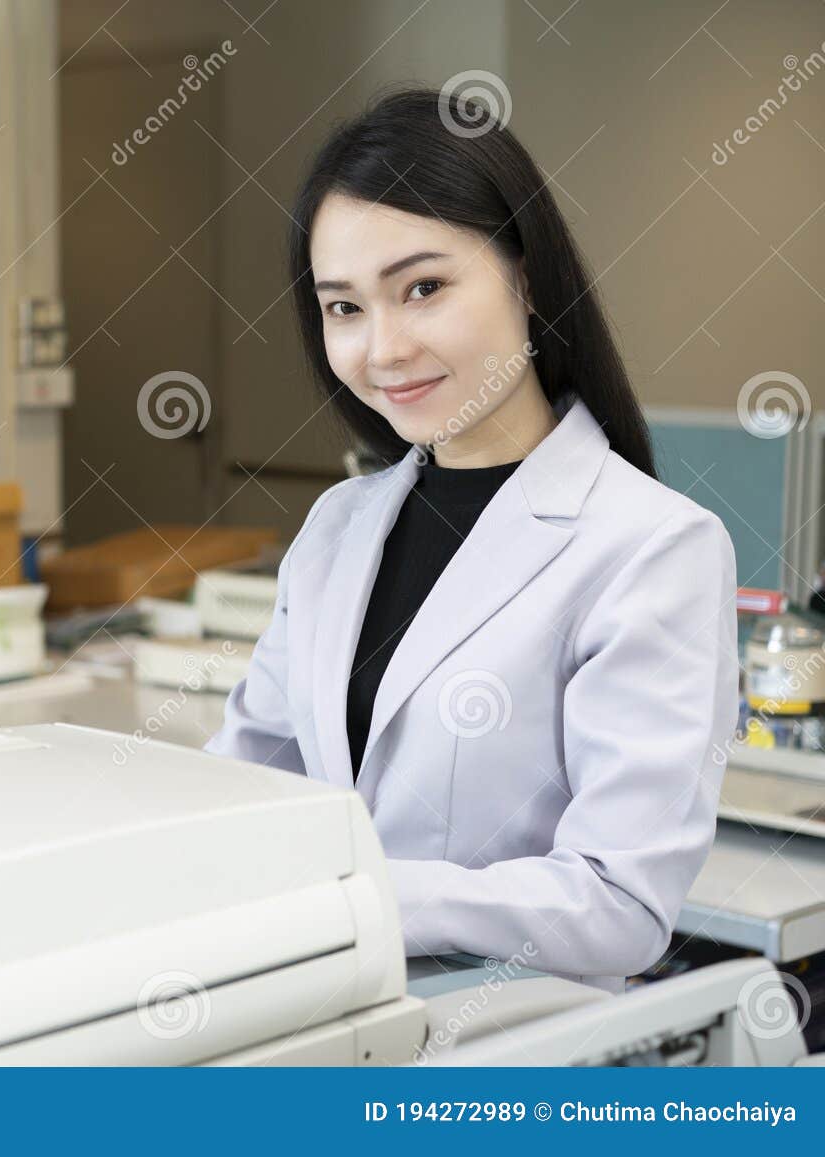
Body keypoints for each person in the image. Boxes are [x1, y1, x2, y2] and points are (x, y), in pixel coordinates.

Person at [203, 87, 739, 992]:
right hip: (322, 1004)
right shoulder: (338, 528)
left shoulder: (653, 548)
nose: (384, 347)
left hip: (506, 1047)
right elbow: (247, 785)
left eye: (424, 288)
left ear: (526, 277)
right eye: (344, 308)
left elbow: (619, 904)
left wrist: (360, 894)